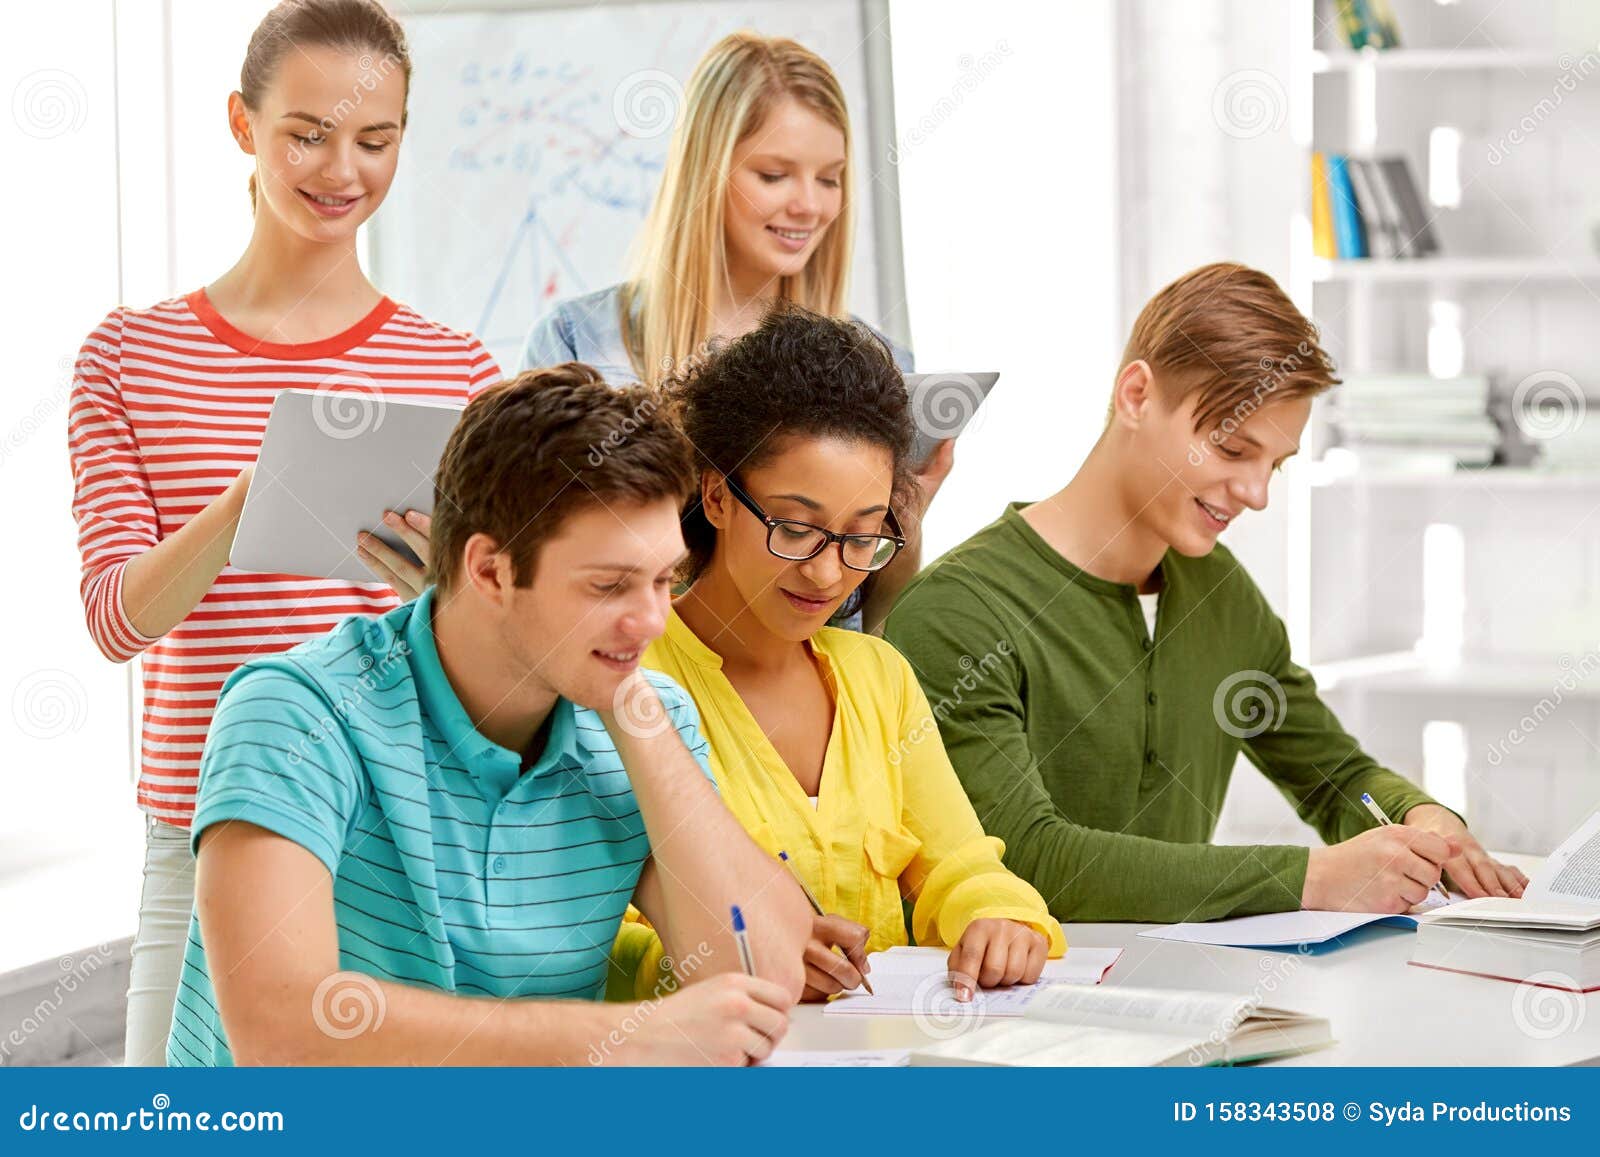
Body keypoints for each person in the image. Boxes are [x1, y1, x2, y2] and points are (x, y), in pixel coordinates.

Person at [66, 0, 500, 1066]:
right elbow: (118, 619)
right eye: (306, 131)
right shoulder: (129, 356)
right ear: (240, 124)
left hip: (401, 835)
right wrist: (257, 493)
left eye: (375, 139)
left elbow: (509, 643)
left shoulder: (458, 372)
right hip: (208, 836)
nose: (340, 169)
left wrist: (440, 594)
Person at [167, 367, 812, 1067]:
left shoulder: (644, 721)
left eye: (664, 579)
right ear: (490, 571)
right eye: (610, 585)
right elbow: (280, 1030)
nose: (654, 620)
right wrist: (625, 1040)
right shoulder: (295, 712)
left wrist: (632, 707)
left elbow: (766, 976)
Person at [884, 262, 1531, 923]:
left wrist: (1422, 819)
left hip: (1184, 1005)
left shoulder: (1221, 595)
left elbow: (1334, 776)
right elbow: (1025, 860)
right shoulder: (955, 613)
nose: (1256, 493)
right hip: (1000, 1016)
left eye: (1274, 465)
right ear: (1137, 394)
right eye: (1231, 449)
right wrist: (1312, 877)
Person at [622, 305, 1063, 1005]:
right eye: (796, 529)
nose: (829, 574)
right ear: (716, 496)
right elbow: (593, 933)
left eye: (864, 535)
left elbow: (962, 862)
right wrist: (737, 949)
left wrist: (997, 915)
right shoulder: (625, 681)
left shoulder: (877, 677)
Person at [505, 32, 950, 630]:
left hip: (808, 697)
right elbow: (550, 563)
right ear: (705, 174)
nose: (810, 207)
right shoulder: (578, 342)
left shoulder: (878, 363)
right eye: (774, 175)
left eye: (830, 178)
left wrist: (903, 522)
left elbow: (875, 623)